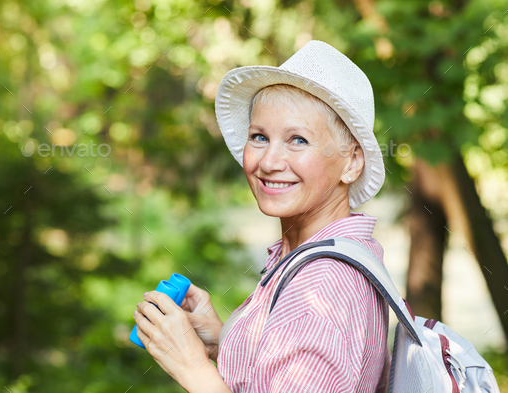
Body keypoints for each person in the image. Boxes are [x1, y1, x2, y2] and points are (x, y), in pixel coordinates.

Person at [134, 40, 390, 393]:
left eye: (298, 140)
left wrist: (190, 364)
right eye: (259, 136)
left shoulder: (326, 282)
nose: (268, 162)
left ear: (352, 162)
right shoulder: (308, 257)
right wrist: (223, 341)